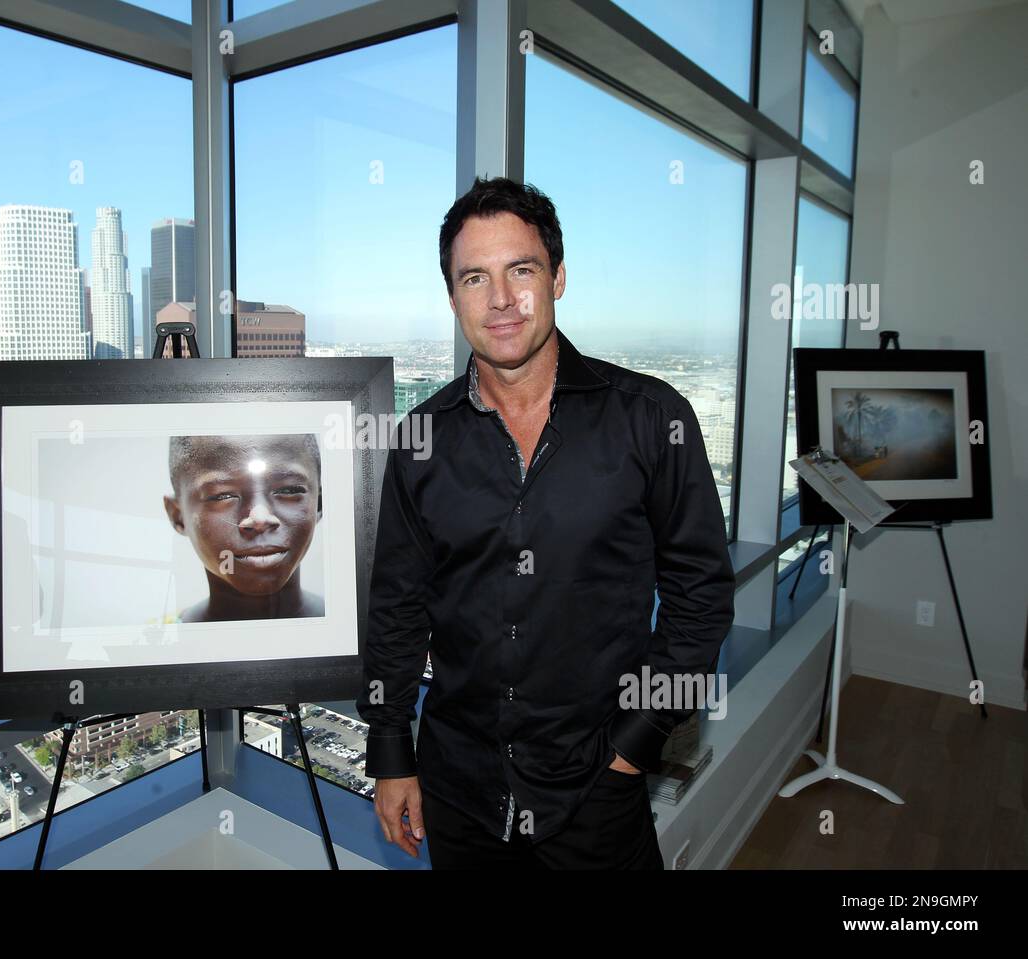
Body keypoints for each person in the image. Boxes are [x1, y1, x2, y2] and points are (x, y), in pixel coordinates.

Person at [357, 176, 735, 869]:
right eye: (475, 277)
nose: (500, 299)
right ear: (452, 297)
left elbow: (701, 596)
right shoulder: (421, 438)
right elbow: (396, 609)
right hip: (460, 789)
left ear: (557, 277)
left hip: (596, 788)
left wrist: (635, 744)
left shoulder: (652, 420)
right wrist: (390, 754)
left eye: (520, 270)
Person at [163, 433, 325, 623]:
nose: (260, 519)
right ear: (178, 516)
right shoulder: (154, 645)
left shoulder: (355, 630)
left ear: (319, 504)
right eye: (222, 496)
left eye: (288, 490)